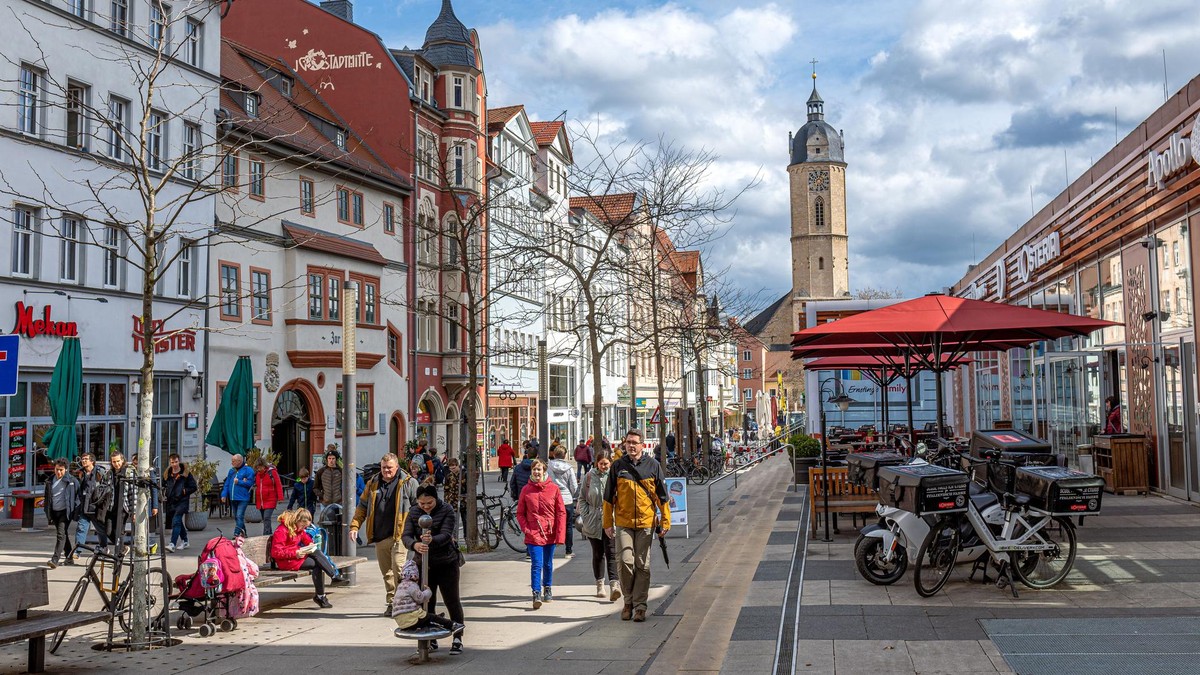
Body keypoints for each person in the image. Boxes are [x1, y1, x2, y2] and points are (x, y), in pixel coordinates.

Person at [603, 428, 670, 623]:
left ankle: (640, 606)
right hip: (623, 522)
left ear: (642, 445)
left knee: (643, 565)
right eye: (628, 442)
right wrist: (608, 523)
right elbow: (608, 498)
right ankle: (628, 602)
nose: (631, 445)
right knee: (624, 562)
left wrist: (665, 521)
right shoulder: (618, 466)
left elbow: (663, 497)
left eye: (635, 442)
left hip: (646, 523)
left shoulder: (653, 466)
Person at [350, 453, 418, 615]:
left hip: (400, 534)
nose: (386, 471)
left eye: (389, 468)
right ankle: (392, 601)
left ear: (397, 467)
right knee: (386, 572)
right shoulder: (373, 483)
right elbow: (362, 506)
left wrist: (418, 531)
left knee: (399, 568)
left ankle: (404, 601)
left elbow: (418, 507)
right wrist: (354, 526)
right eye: (383, 467)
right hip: (379, 534)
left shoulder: (409, 483)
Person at [402, 485, 464, 655]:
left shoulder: (446, 510)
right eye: (422, 503)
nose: (426, 506)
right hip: (424, 564)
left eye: (429, 502)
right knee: (426, 601)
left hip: (446, 562)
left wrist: (431, 540)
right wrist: (415, 544)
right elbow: (406, 535)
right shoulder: (414, 512)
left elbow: (446, 534)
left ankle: (458, 637)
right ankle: (430, 637)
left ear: (436, 499)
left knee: (452, 600)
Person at [516, 459, 565, 609]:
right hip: (534, 533)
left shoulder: (554, 489)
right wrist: (527, 529)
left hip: (549, 532)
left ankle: (547, 588)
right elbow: (520, 513)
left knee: (548, 563)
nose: (537, 472)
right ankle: (536, 593)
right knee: (536, 564)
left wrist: (560, 535)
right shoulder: (526, 490)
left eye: (539, 470)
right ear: (531, 471)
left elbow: (561, 513)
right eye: (534, 470)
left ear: (544, 471)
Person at [270, 508, 340, 608]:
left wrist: (310, 544)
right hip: (287, 561)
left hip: (297, 556)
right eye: (303, 526)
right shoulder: (281, 530)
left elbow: (305, 538)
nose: (303, 528)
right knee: (317, 564)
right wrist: (295, 553)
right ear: (297, 520)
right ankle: (328, 585)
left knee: (316, 553)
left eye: (305, 527)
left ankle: (326, 588)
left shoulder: (298, 528)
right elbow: (276, 552)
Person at [578, 448, 620, 601]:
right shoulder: (589, 477)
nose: (604, 466)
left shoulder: (615, 477)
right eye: (601, 464)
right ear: (596, 463)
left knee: (612, 552)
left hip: (611, 519)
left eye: (607, 464)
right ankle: (600, 584)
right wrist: (586, 514)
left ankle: (614, 585)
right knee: (598, 554)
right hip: (593, 520)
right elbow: (582, 498)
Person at [392, 559, 464, 638]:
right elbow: (420, 598)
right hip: (412, 618)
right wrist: (428, 592)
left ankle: (436, 620)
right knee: (432, 618)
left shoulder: (400, 586)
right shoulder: (411, 586)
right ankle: (453, 625)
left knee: (428, 618)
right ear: (415, 576)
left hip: (401, 621)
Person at [74, 453, 111, 558]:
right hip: (84, 506)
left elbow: (106, 488)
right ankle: (78, 551)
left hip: (96, 507)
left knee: (100, 529)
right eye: (82, 459)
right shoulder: (81, 473)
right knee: (81, 527)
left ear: (92, 461)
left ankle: (104, 547)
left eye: (86, 459)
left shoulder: (100, 472)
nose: (83, 461)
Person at [44, 459, 80, 568]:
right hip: (54, 512)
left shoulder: (72, 481)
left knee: (60, 534)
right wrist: (47, 512)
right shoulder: (50, 481)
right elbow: (47, 498)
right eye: (57, 469)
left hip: (66, 512)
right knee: (63, 535)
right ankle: (69, 558)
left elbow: (78, 496)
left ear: (66, 470)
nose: (59, 472)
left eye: (61, 470)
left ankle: (55, 559)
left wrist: (76, 511)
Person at [547, 447, 578, 559]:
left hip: (552, 499)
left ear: (554, 455)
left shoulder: (548, 467)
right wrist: (570, 494)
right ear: (564, 455)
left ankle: (550, 549)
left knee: (552, 525)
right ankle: (568, 551)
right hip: (566, 499)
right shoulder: (569, 468)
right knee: (568, 525)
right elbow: (574, 486)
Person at [163, 454, 198, 553]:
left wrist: (184, 491)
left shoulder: (185, 474)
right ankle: (185, 540)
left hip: (182, 501)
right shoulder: (167, 474)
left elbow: (194, 487)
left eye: (176, 462)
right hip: (171, 501)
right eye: (172, 462)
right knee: (178, 522)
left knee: (176, 521)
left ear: (179, 461)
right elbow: (163, 485)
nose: (174, 464)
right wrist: (165, 493)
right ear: (170, 463)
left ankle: (172, 544)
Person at [220, 453, 256, 537]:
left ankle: (236, 533)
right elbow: (227, 483)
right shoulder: (231, 471)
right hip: (233, 497)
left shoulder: (248, 470)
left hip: (243, 498)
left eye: (233, 461)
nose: (231, 463)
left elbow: (250, 483)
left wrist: (239, 482)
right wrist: (224, 494)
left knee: (239, 516)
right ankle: (244, 532)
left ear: (239, 461)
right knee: (237, 517)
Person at [253, 458, 285, 536]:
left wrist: (280, 498)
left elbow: (278, 485)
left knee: (267, 517)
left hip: (271, 499)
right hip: (261, 500)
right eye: (257, 467)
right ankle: (270, 535)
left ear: (264, 466)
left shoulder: (272, 472)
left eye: (260, 467)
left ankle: (265, 535)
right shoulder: (257, 474)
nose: (259, 469)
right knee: (265, 519)